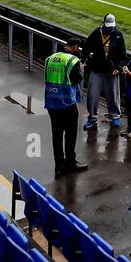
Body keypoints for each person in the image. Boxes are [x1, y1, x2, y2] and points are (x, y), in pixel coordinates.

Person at [44, 37, 88, 176]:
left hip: (51, 102)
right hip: (67, 103)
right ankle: (70, 162)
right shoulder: (73, 60)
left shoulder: (49, 59)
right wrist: (81, 70)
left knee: (56, 136)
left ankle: (58, 166)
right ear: (75, 47)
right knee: (70, 134)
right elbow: (77, 79)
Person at [81, 13, 126, 130]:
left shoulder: (118, 35)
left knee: (113, 96)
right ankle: (92, 117)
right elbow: (86, 47)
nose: (110, 29)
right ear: (104, 24)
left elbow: (122, 55)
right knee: (92, 95)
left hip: (112, 72)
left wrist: (119, 67)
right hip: (97, 70)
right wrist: (83, 60)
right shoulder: (97, 33)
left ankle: (115, 115)